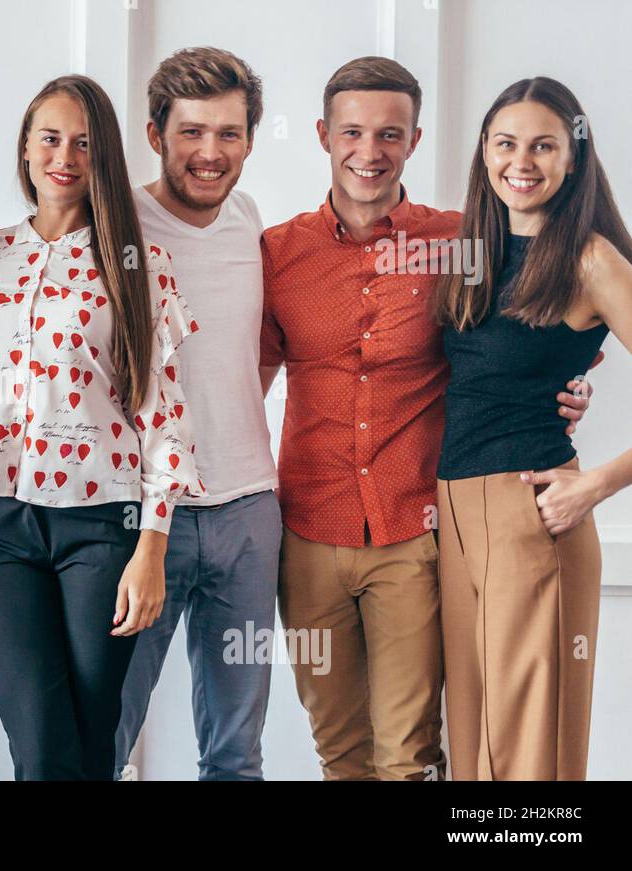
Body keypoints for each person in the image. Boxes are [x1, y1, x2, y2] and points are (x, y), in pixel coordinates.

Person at [259, 57, 592, 780]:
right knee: (340, 751)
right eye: (352, 131)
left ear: (414, 140)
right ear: (322, 134)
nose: (369, 151)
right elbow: (243, 382)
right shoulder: (277, 253)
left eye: (389, 133)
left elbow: (537, 327)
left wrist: (569, 381)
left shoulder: (465, 242)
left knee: (408, 756)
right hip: (308, 533)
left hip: (417, 534)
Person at [0, 74, 203, 780]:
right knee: (44, 743)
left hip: (102, 527)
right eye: (50, 137)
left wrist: (152, 548)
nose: (65, 155)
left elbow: (165, 415)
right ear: (24, 147)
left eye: (83, 143)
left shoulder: (141, 266)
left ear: (103, 156)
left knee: (89, 738)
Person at [434, 77, 632, 780]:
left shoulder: (592, 259)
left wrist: (599, 484)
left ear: (573, 158)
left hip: (533, 511)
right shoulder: (472, 252)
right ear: (484, 152)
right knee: (473, 747)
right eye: (506, 143)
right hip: (453, 511)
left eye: (544, 145)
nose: (523, 160)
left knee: (530, 758)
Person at [114, 47, 280, 782]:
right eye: (191, 133)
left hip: (249, 512)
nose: (210, 153)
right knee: (106, 734)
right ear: (155, 135)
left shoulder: (249, 220)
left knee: (236, 753)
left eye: (229, 133)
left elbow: (269, 345)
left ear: (249, 139)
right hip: (147, 518)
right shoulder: (116, 226)